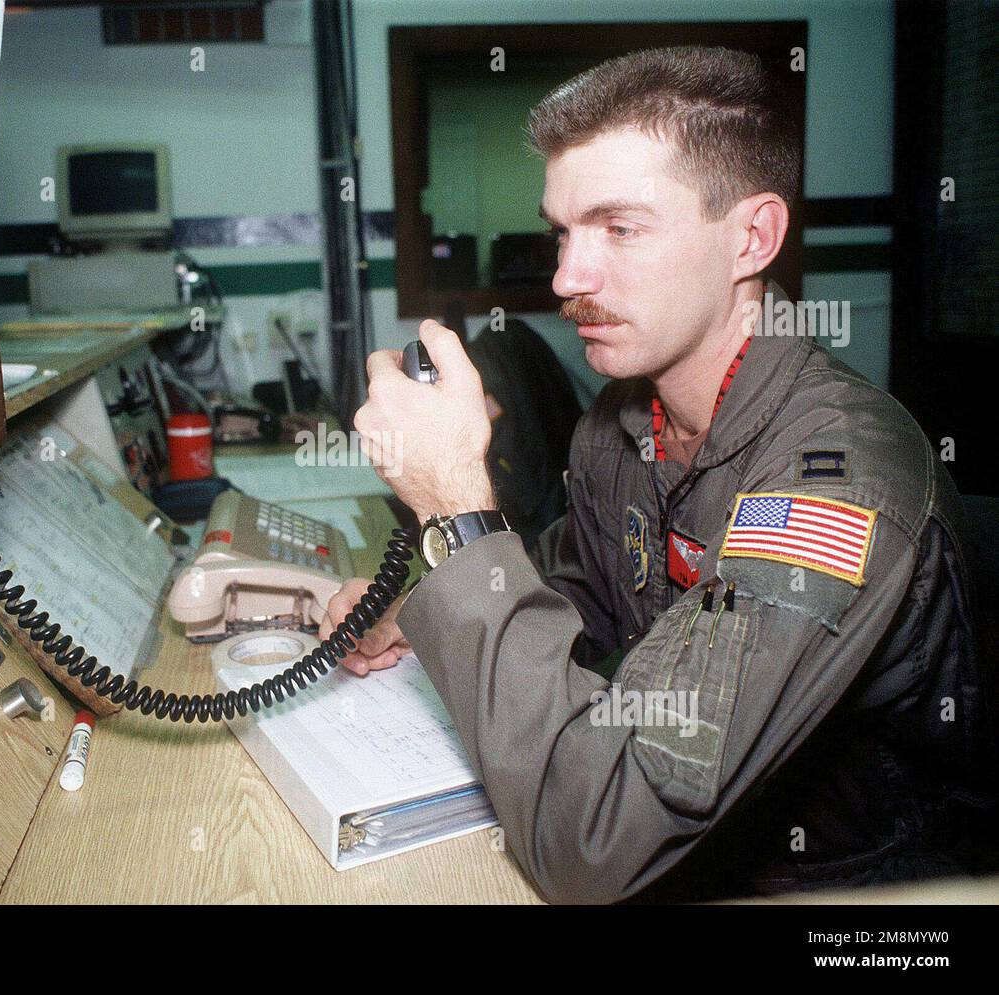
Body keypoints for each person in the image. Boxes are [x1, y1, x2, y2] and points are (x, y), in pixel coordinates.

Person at [321, 46, 997, 902]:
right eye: (563, 231)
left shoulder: (836, 479)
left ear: (752, 238)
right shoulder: (617, 429)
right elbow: (576, 594)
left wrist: (457, 505)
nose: (568, 276)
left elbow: (594, 842)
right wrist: (422, 617)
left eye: (621, 228)